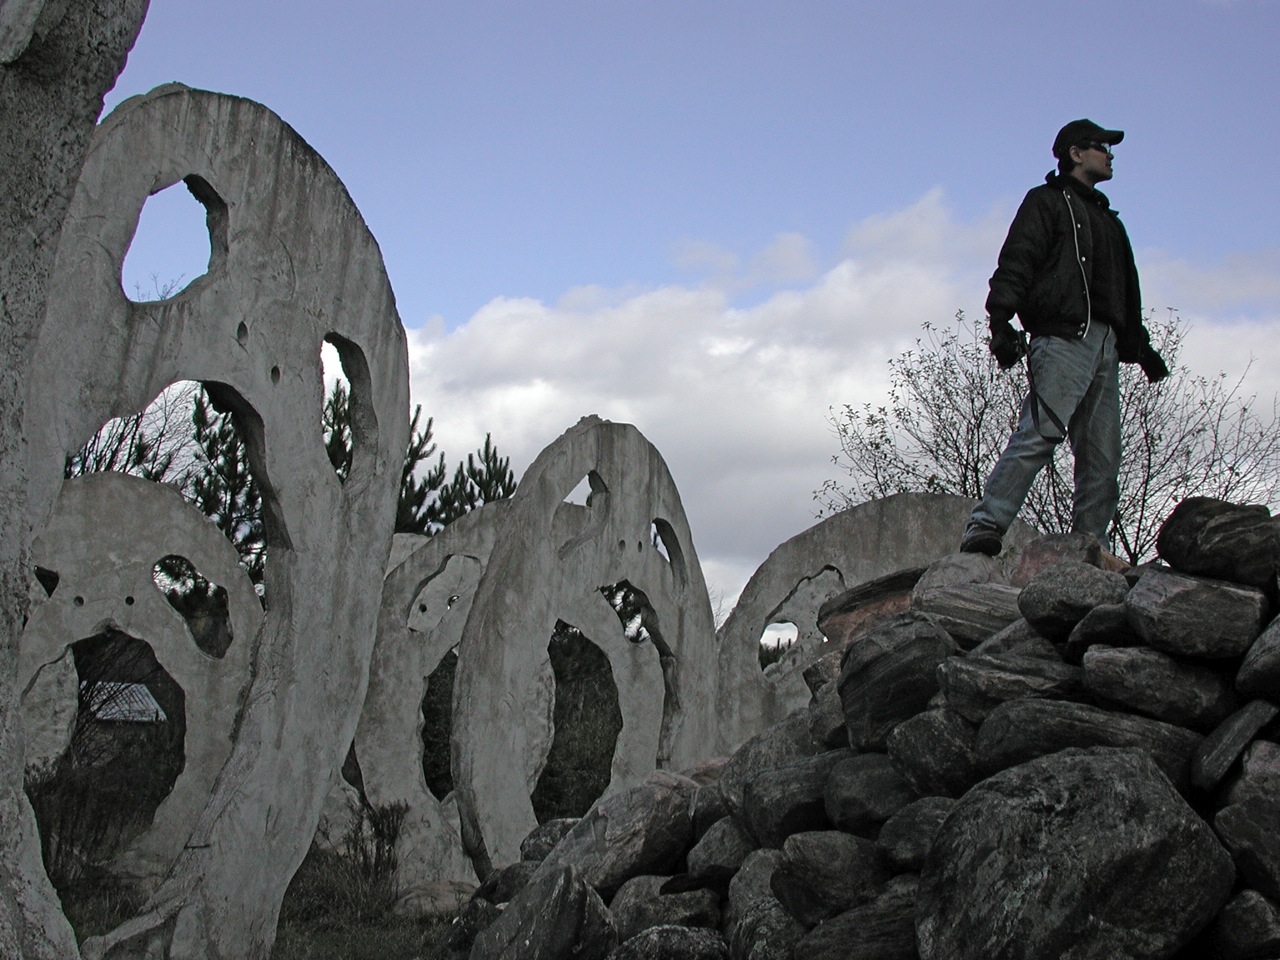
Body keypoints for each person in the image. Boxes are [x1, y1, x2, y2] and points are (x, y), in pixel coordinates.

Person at [959, 118, 1169, 556]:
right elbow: (1017, 260)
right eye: (1102, 147)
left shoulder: (1110, 222)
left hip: (1106, 347)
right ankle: (986, 525)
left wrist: (1141, 348)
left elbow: (1122, 293)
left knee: (1102, 459)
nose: (1110, 155)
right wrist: (1000, 321)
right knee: (1039, 435)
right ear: (1075, 153)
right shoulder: (1047, 202)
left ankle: (1090, 547)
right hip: (1062, 340)